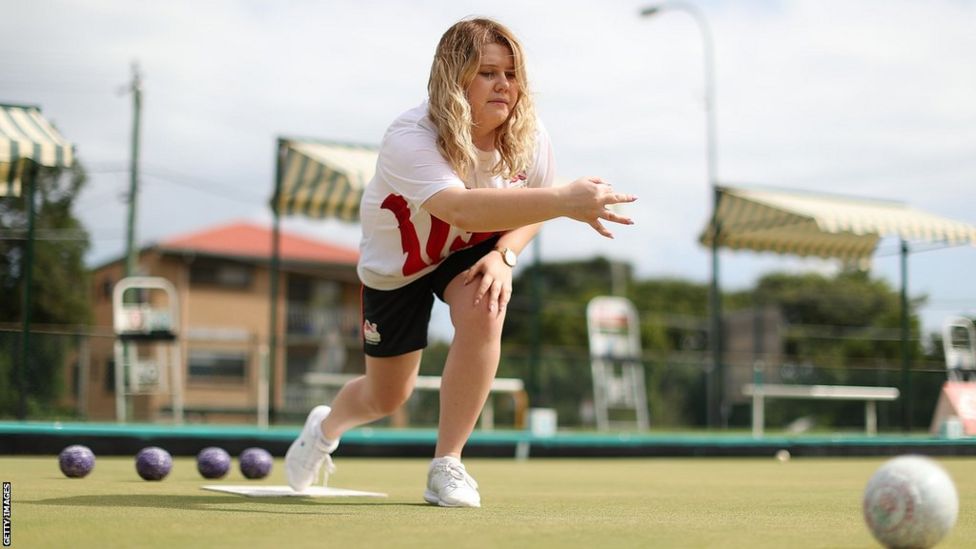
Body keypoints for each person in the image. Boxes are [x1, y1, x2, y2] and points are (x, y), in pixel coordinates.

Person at [285, 17, 636, 508]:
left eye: (512, 74)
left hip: (469, 249)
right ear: (455, 77)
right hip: (399, 266)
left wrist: (506, 256)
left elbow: (533, 208)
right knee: (387, 397)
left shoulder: (531, 137)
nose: (505, 85)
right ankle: (325, 429)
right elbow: (458, 207)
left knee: (486, 305)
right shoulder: (411, 136)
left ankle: (446, 464)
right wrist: (561, 200)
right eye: (488, 72)